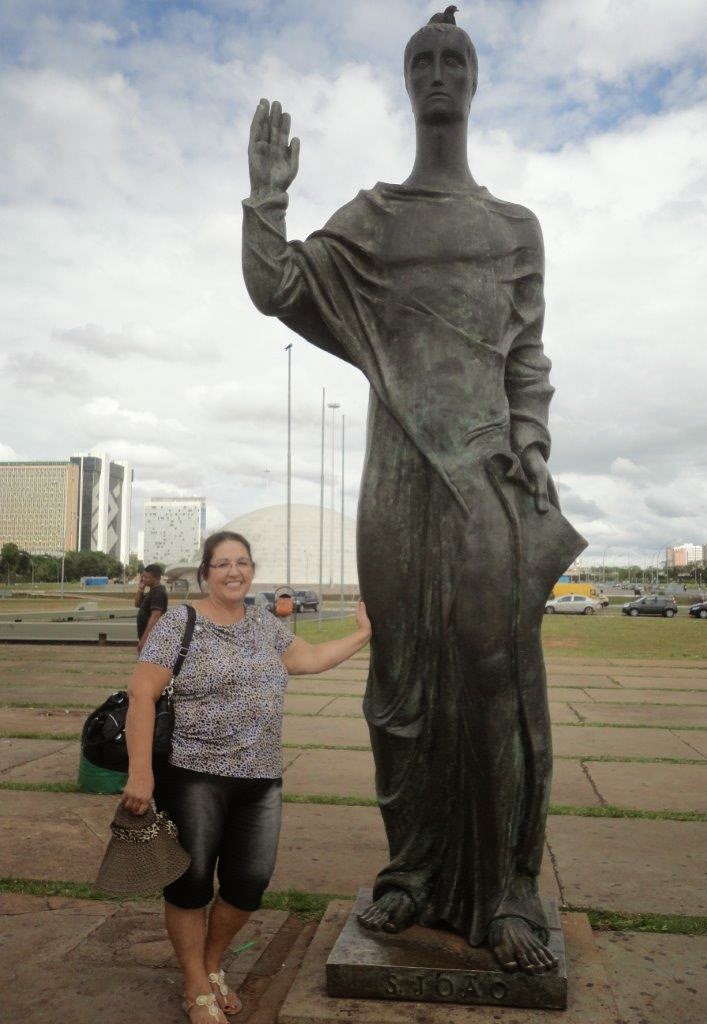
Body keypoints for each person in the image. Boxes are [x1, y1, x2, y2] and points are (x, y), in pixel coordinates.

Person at [241, 12, 585, 975]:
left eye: (454, 61)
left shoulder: (516, 228)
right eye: (423, 62)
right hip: (394, 479)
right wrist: (265, 201)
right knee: (398, 690)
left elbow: (527, 356)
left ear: (474, 83)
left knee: (495, 684)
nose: (439, 74)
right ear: (407, 84)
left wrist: (533, 437)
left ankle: (508, 889)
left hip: (487, 478)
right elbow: (276, 284)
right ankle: (412, 874)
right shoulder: (375, 219)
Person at [122, 531, 372, 1022]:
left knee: (248, 884)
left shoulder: (265, 624)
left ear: (252, 570)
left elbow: (311, 659)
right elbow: (141, 694)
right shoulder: (181, 623)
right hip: (194, 774)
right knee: (190, 884)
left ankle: (212, 963)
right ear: (206, 573)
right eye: (221, 564)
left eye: (241, 562)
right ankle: (195, 982)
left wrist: (364, 633)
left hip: (260, 777)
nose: (233, 571)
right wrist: (140, 773)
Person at [134, 563, 168, 653]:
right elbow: (137, 604)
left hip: (152, 639)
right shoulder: (152, 591)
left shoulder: (158, 593)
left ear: (156, 578)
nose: (143, 579)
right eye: (143, 577)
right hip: (149, 638)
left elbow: (155, 616)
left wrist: (145, 639)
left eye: (146, 577)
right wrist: (140, 589)